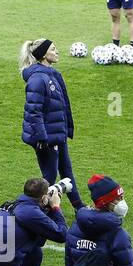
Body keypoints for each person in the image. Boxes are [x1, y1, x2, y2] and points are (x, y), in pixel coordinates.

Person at [20, 38, 82, 210]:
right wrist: (41, 136)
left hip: (56, 133)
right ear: (43, 55)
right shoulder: (38, 79)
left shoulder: (50, 75)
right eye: (53, 49)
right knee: (49, 176)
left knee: (66, 171)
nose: (57, 52)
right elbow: (34, 110)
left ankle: (79, 207)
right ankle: (34, 209)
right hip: (46, 137)